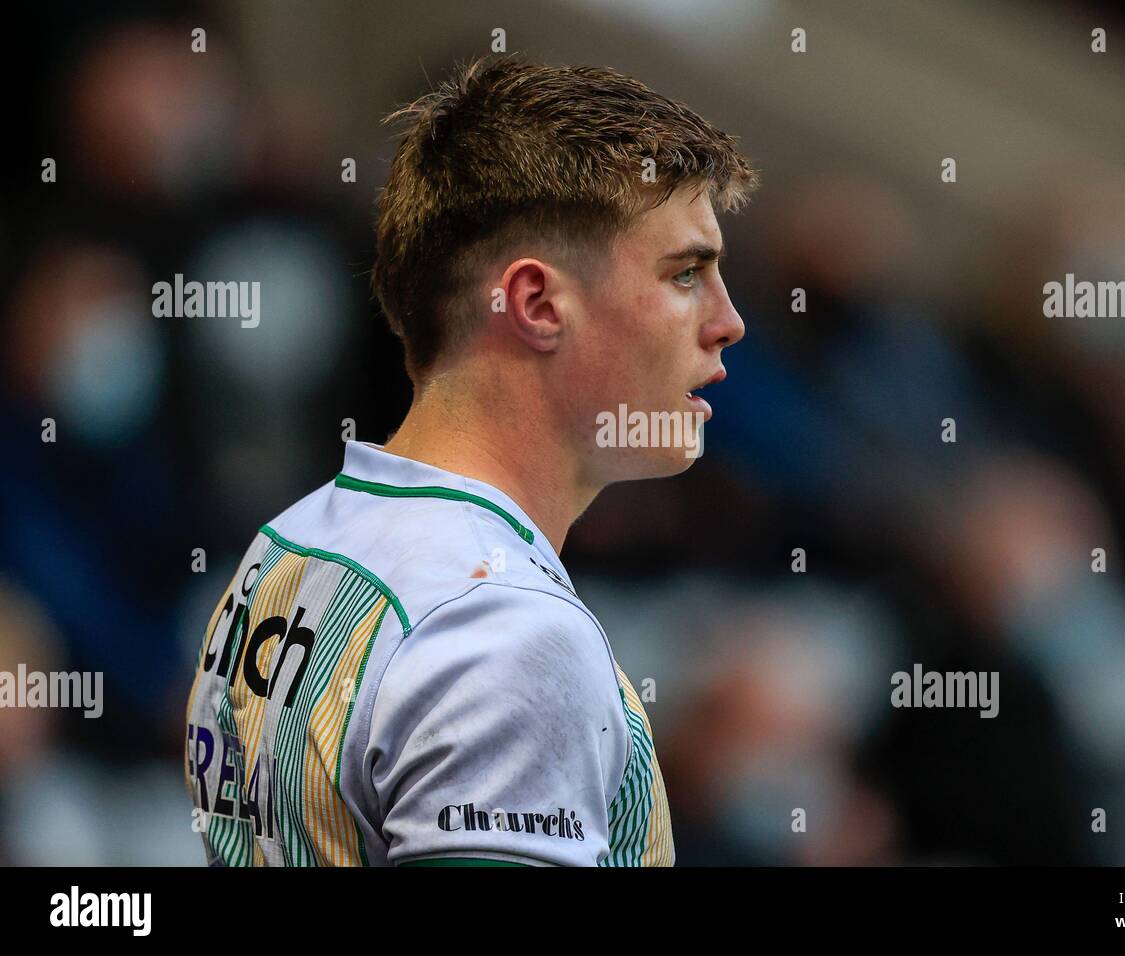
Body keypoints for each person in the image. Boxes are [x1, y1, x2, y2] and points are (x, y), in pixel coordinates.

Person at [183, 54, 758, 866]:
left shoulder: (285, 545)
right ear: (535, 303)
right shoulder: (508, 634)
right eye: (687, 273)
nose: (729, 321)